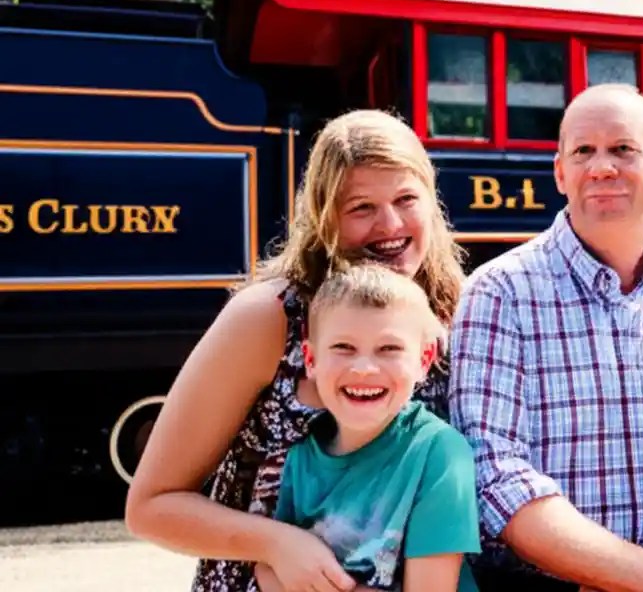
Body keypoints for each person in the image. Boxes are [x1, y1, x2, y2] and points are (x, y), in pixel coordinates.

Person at [124, 109, 468, 592]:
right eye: (361, 207)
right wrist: (277, 544)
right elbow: (151, 506)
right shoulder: (269, 318)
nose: (389, 224)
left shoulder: (457, 315)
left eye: (406, 199)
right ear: (325, 216)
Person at [447, 84, 643, 592]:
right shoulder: (500, 292)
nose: (601, 167)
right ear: (560, 173)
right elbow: (496, 478)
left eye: (622, 149)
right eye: (583, 151)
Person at [258, 262, 480, 592]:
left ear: (424, 359)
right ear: (311, 360)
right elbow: (268, 571)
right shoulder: (299, 458)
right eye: (343, 348)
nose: (363, 368)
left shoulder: (437, 452)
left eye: (388, 349)